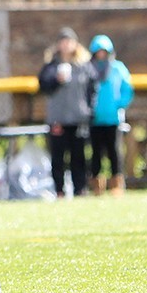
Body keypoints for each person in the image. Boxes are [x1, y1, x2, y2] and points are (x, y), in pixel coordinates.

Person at [38, 27, 98, 199]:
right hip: (58, 118)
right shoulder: (51, 66)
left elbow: (93, 88)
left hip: (79, 117)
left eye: (69, 41)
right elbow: (43, 86)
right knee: (58, 157)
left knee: (78, 156)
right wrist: (56, 80)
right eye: (63, 42)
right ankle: (59, 190)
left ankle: (80, 189)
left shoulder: (84, 66)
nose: (66, 45)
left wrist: (90, 110)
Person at [87, 35, 133, 196]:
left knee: (114, 151)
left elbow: (127, 89)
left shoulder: (117, 68)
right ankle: (97, 185)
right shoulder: (89, 69)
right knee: (96, 153)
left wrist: (119, 105)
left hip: (113, 118)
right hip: (94, 118)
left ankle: (117, 183)